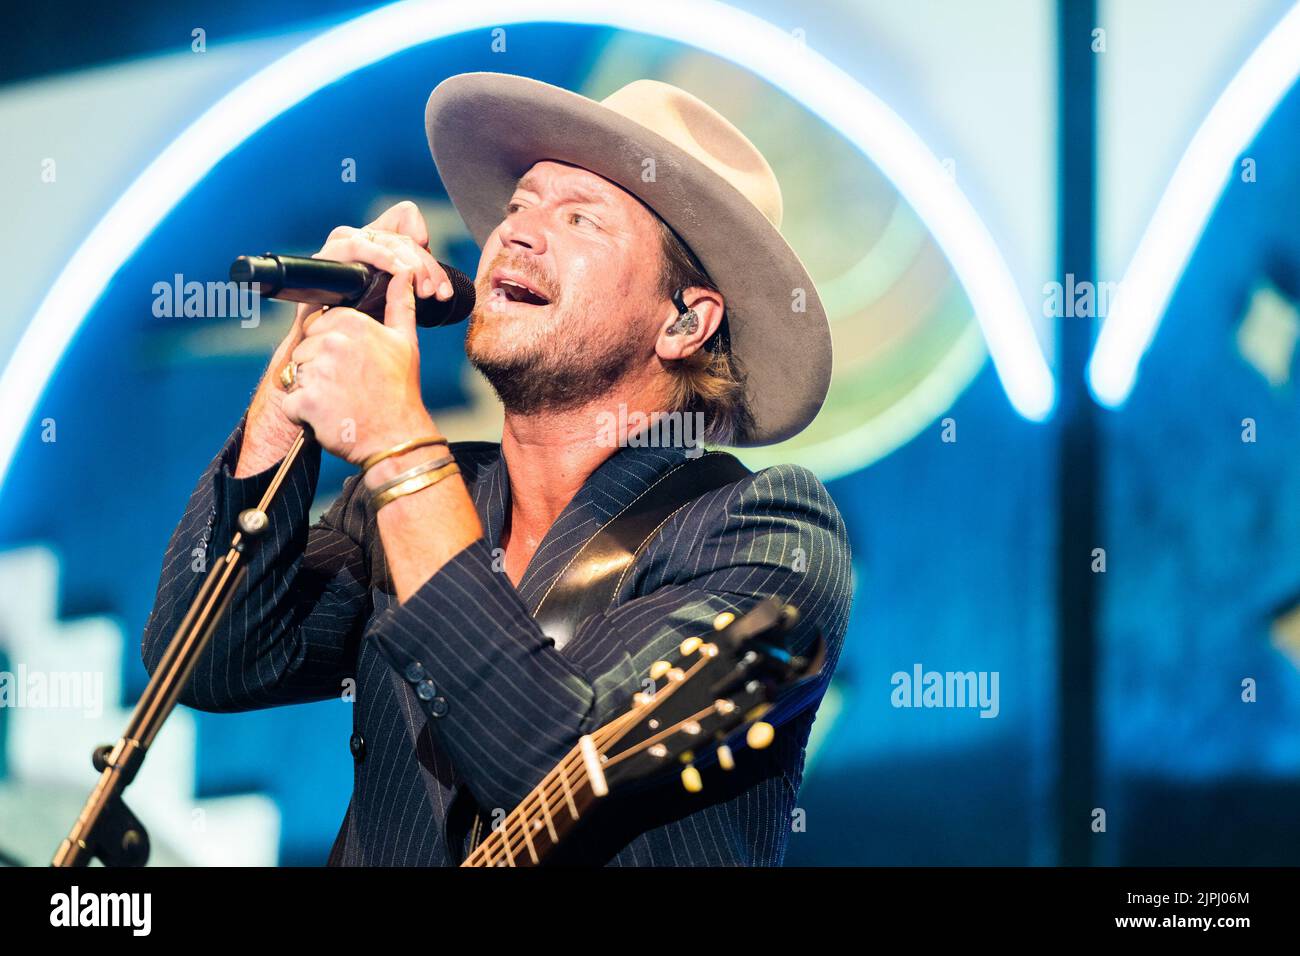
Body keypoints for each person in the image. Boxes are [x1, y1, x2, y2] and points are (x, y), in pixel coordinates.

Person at [143, 72, 852, 866]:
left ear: (686, 320)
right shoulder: (428, 499)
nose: (515, 233)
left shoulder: (762, 528)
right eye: (519, 206)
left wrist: (398, 444)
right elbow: (213, 660)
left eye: (580, 217)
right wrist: (295, 378)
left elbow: (551, 763)